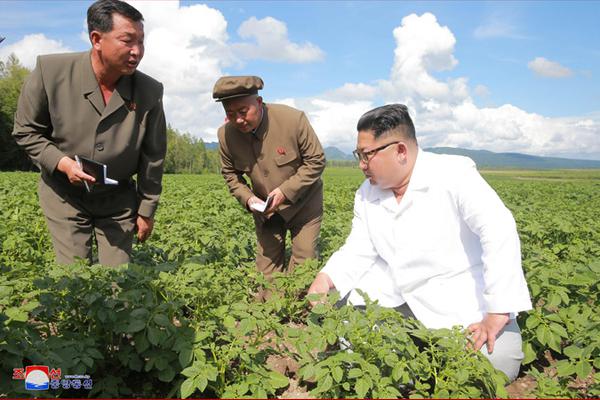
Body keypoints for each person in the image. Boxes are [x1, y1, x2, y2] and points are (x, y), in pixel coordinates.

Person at [307, 104, 532, 381]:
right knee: (364, 354)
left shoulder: (453, 174)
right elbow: (358, 247)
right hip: (398, 300)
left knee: (496, 364)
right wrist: (327, 277)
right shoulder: (367, 193)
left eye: (367, 156)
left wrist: (497, 310)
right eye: (358, 155)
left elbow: (498, 229)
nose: (361, 165)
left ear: (400, 150)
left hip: (459, 301)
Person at [12, 0, 166, 266]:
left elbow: (153, 156)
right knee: (75, 277)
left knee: (118, 280)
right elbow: (26, 130)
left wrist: (146, 210)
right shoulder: (51, 73)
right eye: (128, 41)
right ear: (96, 39)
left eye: (141, 42)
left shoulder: (148, 91)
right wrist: (62, 163)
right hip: (64, 195)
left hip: (118, 200)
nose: (137, 51)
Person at [214, 76, 325, 278]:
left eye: (243, 112)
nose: (238, 120)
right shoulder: (225, 135)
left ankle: (300, 308)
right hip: (266, 211)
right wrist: (249, 199)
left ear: (258, 102)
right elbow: (231, 175)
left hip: (304, 205)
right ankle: (269, 308)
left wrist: (284, 192)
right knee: (266, 273)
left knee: (304, 262)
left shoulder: (293, 120)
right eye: (230, 114)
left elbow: (316, 160)